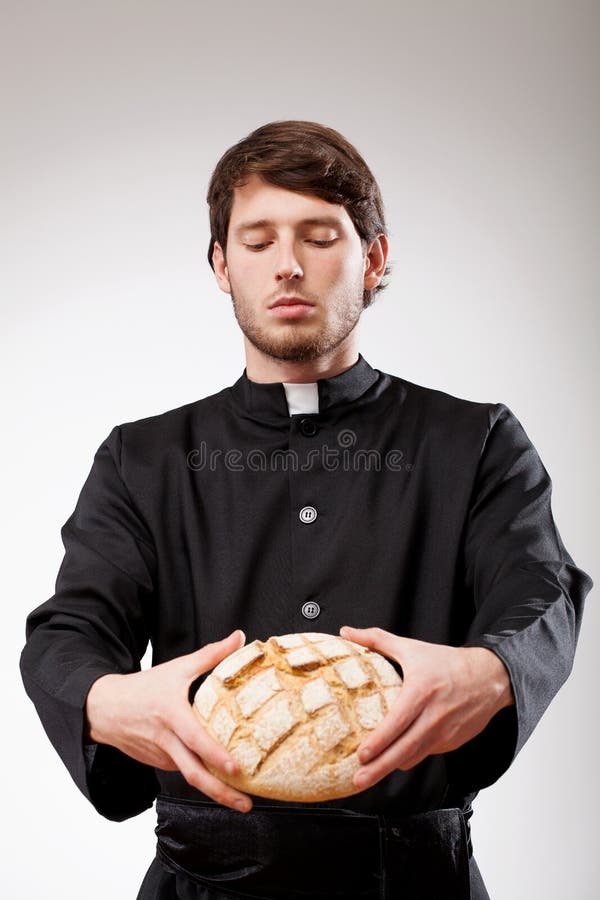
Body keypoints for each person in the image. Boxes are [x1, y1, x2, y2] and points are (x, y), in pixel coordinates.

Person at [20, 120, 593, 900]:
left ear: (375, 258)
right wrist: (102, 699)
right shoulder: (142, 458)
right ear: (222, 266)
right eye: (257, 242)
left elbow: (541, 592)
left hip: (418, 882)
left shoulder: (476, 440)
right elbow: (70, 632)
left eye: (319, 237)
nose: (287, 266)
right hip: (205, 883)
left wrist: (494, 670)